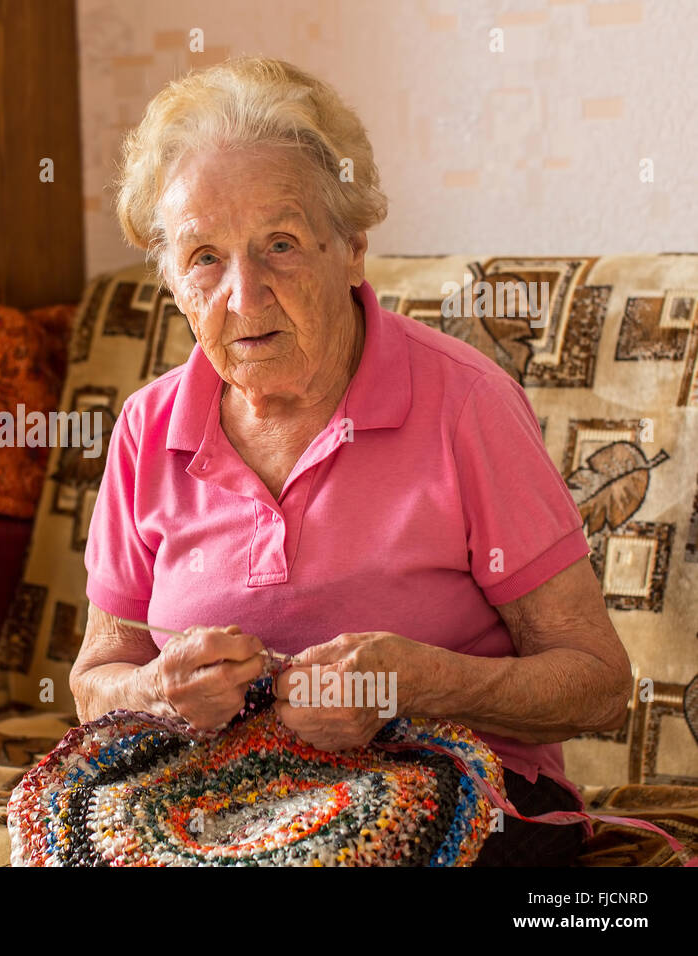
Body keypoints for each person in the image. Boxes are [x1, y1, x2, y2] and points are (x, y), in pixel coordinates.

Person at [69, 56, 632, 866]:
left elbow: (600, 683)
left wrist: (415, 683)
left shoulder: (464, 404)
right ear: (171, 282)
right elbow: (97, 679)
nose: (245, 294)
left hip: (456, 790)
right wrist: (158, 693)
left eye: (282, 245)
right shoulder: (146, 427)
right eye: (204, 259)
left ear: (353, 248)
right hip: (216, 796)